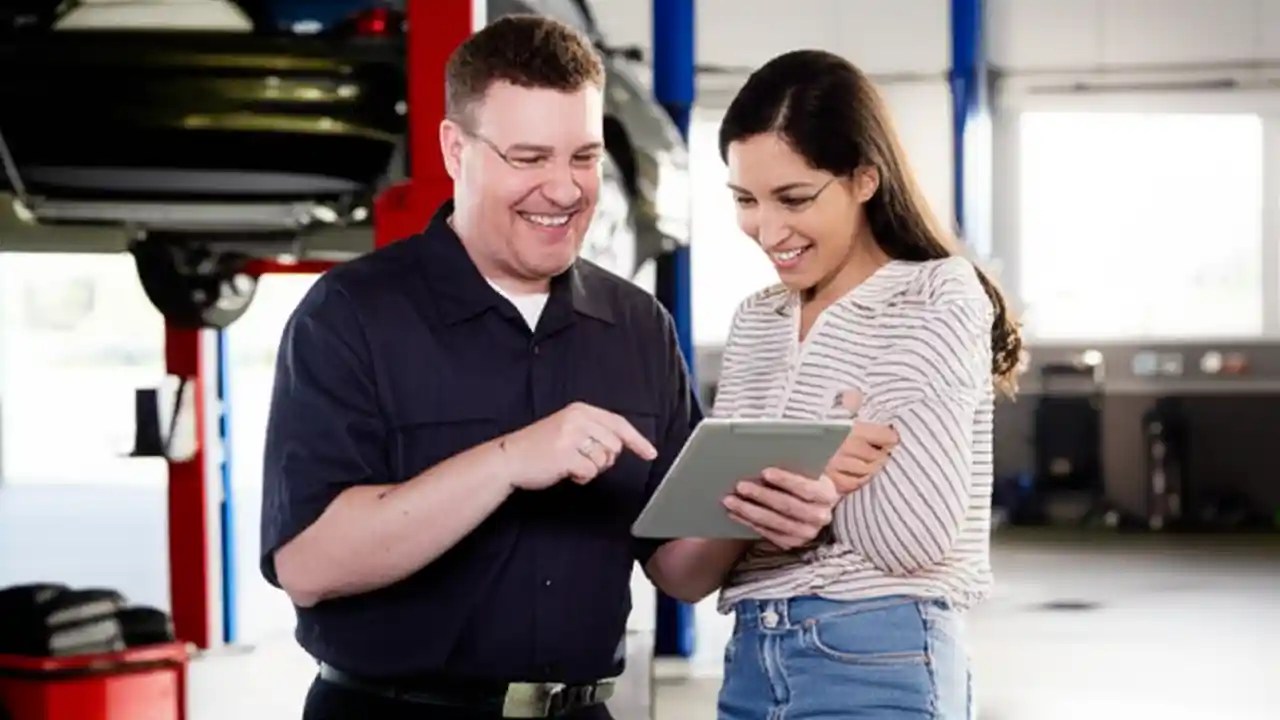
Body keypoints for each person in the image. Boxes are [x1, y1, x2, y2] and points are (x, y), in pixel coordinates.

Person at [259, 16, 848, 720]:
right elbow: (309, 565)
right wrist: (510, 459)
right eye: (529, 157)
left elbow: (677, 569)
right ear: (456, 149)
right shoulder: (351, 316)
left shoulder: (636, 327)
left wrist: (758, 511)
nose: (565, 190)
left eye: (584, 157)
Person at [705, 49, 1025, 720]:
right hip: (749, 666)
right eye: (745, 200)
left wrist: (787, 488)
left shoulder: (936, 294)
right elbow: (690, 566)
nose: (767, 229)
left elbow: (910, 538)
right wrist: (821, 467)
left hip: (878, 655)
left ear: (864, 179)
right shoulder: (757, 320)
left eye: (793, 198)